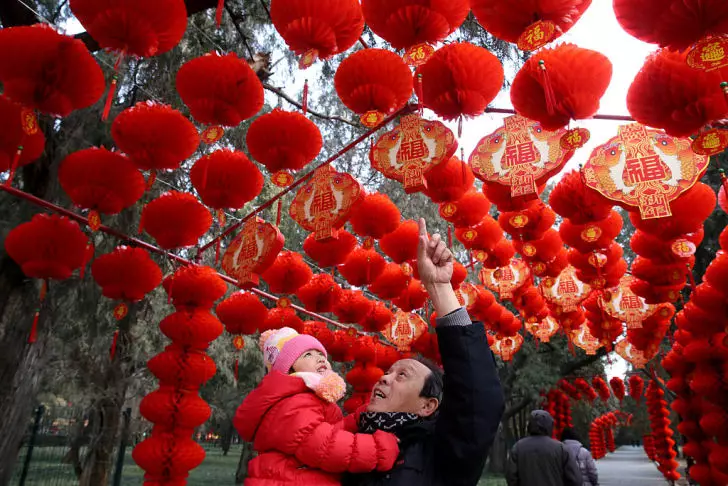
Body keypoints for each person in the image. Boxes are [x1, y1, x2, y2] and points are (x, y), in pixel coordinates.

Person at [342, 218, 505, 486]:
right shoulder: (343, 444)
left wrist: (440, 288)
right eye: (388, 372)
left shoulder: (440, 455)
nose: (383, 378)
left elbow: (479, 401)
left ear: (428, 406)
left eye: (402, 375)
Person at [233, 327, 400, 485]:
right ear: (289, 368)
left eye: (321, 354)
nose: (320, 358)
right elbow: (325, 447)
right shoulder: (293, 402)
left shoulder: (307, 398)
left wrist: (359, 416)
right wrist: (379, 448)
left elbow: (329, 431)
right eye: (308, 355)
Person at [506, 411, 583, 486]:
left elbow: (511, 478)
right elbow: (575, 480)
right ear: (549, 426)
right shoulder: (561, 449)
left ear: (529, 426)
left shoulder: (518, 447)